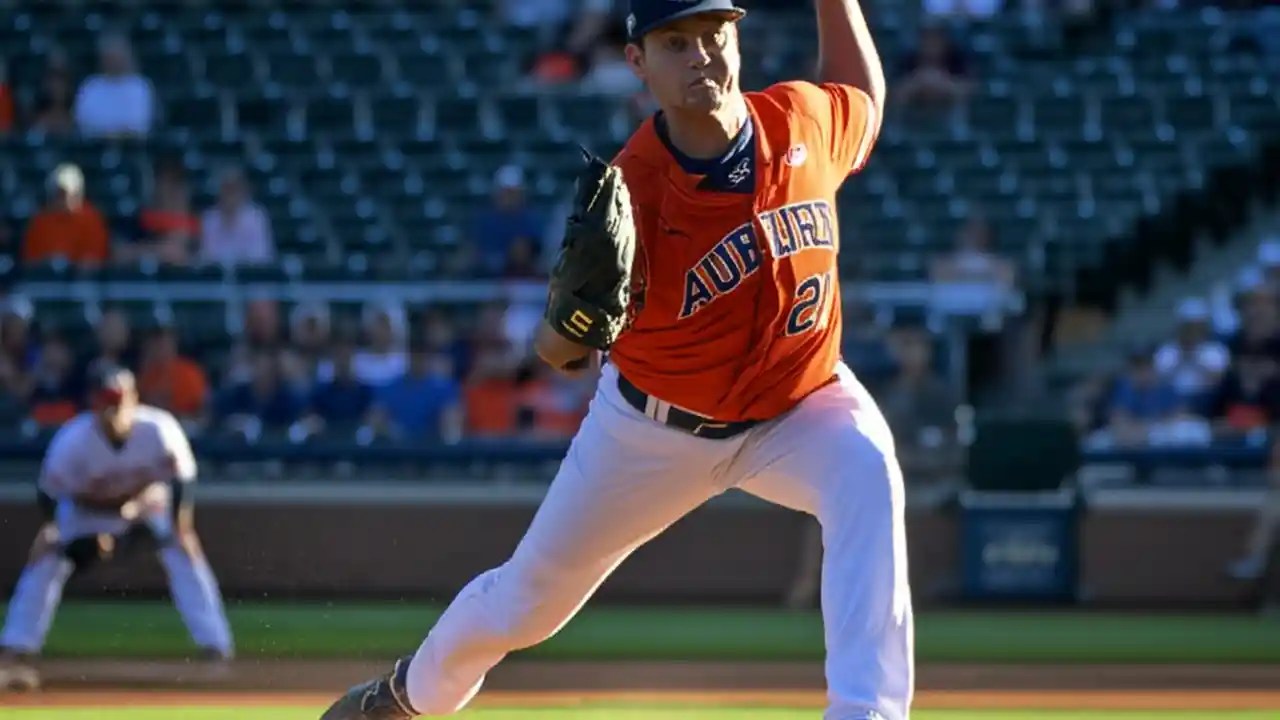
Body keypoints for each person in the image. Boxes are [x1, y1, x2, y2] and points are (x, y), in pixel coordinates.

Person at [320, 2, 904, 719]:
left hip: (799, 406)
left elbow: (864, 105)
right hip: (654, 432)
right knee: (526, 602)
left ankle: (866, 711)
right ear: (639, 63)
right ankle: (407, 698)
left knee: (868, 470)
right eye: (676, 43)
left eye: (715, 35)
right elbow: (557, 352)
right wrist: (569, 326)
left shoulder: (801, 120)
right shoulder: (635, 190)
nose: (701, 56)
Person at [0, 367, 233, 692]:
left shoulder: (158, 429)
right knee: (46, 557)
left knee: (184, 550)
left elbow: (183, 478)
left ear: (134, 399)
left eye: (119, 400)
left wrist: (182, 526)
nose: (113, 410)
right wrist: (50, 529)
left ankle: (216, 644)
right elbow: (48, 491)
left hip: (144, 505)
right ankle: (17, 644)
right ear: (94, 405)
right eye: (106, 402)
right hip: (87, 510)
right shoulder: (73, 440)